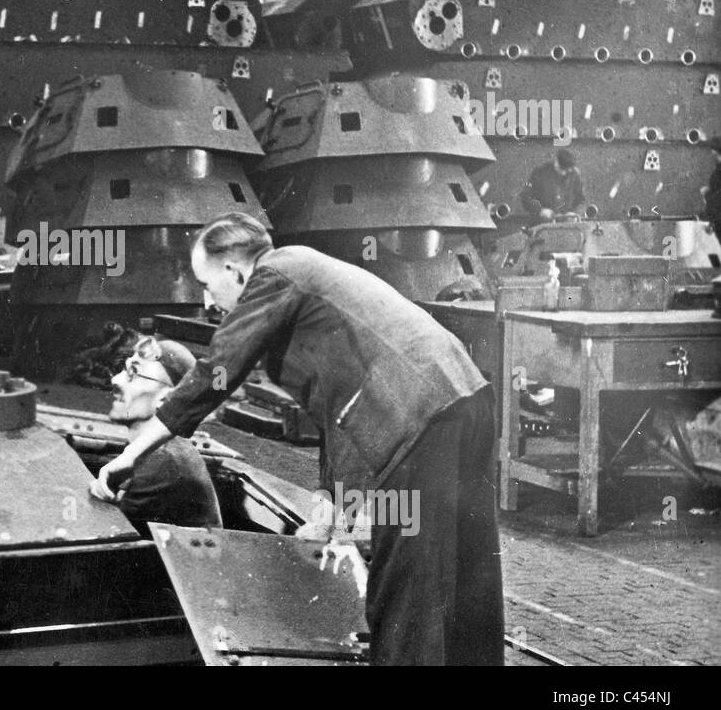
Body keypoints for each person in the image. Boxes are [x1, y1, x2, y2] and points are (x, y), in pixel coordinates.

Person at [95, 212, 503, 666]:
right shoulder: (307, 271)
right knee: (470, 580)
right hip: (464, 398)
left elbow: (217, 370)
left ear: (235, 270)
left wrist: (131, 455)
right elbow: (339, 414)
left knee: (406, 593)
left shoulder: (273, 276)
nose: (209, 303)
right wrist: (329, 512)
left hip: (415, 424)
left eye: (208, 285)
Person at [85, 336, 222, 531]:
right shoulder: (163, 450)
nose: (115, 380)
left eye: (134, 373)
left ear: (166, 399)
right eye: (124, 369)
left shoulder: (162, 461)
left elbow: (109, 530)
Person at [519, 149, 584, 221]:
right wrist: (540, 210)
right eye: (561, 169)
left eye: (567, 170)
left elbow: (581, 199)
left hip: (567, 223)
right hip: (542, 223)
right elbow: (525, 197)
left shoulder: (575, 175)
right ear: (556, 162)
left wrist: (573, 212)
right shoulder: (540, 172)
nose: (564, 173)